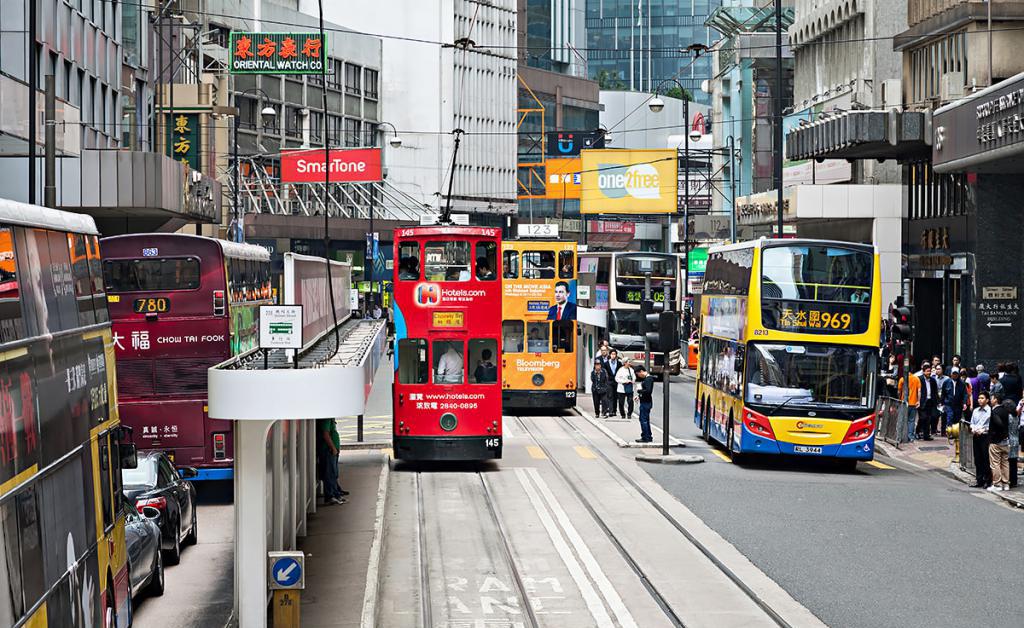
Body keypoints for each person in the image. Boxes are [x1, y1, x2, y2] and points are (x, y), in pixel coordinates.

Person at [317, 418, 347, 505]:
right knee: (329, 474)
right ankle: (330, 496)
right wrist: (333, 448)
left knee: (333, 473)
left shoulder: (330, 418)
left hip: (332, 450)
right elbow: (325, 434)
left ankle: (336, 494)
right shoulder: (326, 419)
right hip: (328, 450)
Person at [988, 391, 1012, 492]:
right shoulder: (1005, 411)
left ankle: (997, 484)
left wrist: (993, 435)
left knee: (995, 463)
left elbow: (999, 424)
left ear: (996, 400)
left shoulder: (995, 411)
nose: (990, 400)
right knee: (1005, 463)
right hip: (1005, 441)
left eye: (992, 398)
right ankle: (1006, 484)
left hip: (996, 441)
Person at [970, 391, 993, 488]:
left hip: (985, 436)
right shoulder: (975, 410)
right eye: (979, 398)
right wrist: (973, 429)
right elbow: (972, 423)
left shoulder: (990, 411)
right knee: (977, 459)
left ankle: (987, 480)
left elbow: (990, 425)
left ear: (987, 400)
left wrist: (982, 430)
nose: (980, 400)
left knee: (985, 459)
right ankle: (979, 480)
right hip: (976, 436)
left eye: (982, 398)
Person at [898, 365, 921, 443]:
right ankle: (910, 436)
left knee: (903, 419)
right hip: (913, 403)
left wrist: (899, 399)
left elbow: (899, 391)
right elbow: (919, 391)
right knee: (911, 421)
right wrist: (918, 401)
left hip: (904, 403)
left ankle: (901, 436)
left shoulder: (902, 379)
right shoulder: (916, 379)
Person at [944, 368, 970, 436]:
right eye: (953, 374)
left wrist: (964, 403)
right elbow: (943, 393)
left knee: (957, 418)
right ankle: (949, 432)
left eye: (956, 374)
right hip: (949, 403)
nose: (955, 375)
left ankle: (955, 432)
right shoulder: (946, 382)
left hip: (958, 404)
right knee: (950, 415)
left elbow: (965, 394)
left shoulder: (962, 383)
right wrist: (942, 403)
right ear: (951, 374)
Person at [916, 361, 937, 441]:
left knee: (928, 418)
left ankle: (926, 435)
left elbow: (934, 392)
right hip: (921, 401)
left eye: (930, 371)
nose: (929, 373)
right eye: (927, 371)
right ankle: (917, 431)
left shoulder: (933, 380)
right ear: (924, 371)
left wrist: (936, 401)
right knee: (923, 418)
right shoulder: (919, 379)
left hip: (930, 401)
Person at [634, 365, 654, 443]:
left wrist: (640, 391)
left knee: (643, 419)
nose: (638, 376)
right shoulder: (647, 379)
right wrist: (639, 396)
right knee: (645, 419)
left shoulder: (648, 379)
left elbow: (648, 391)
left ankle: (646, 436)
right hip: (645, 401)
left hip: (646, 402)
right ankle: (648, 435)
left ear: (641, 371)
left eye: (638, 374)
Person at [604, 349, 622, 418]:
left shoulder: (619, 363)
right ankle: (611, 411)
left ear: (616, 355)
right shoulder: (606, 364)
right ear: (610, 355)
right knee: (610, 396)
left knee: (615, 396)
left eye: (614, 354)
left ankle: (614, 410)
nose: (613, 356)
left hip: (617, 382)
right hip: (609, 381)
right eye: (612, 354)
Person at [934, 365, 950, 434]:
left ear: (942, 370)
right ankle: (933, 429)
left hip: (944, 399)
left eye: (939, 369)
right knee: (935, 415)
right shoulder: (933, 378)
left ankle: (943, 430)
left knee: (944, 415)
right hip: (936, 399)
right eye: (936, 369)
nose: (937, 370)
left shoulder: (947, 379)